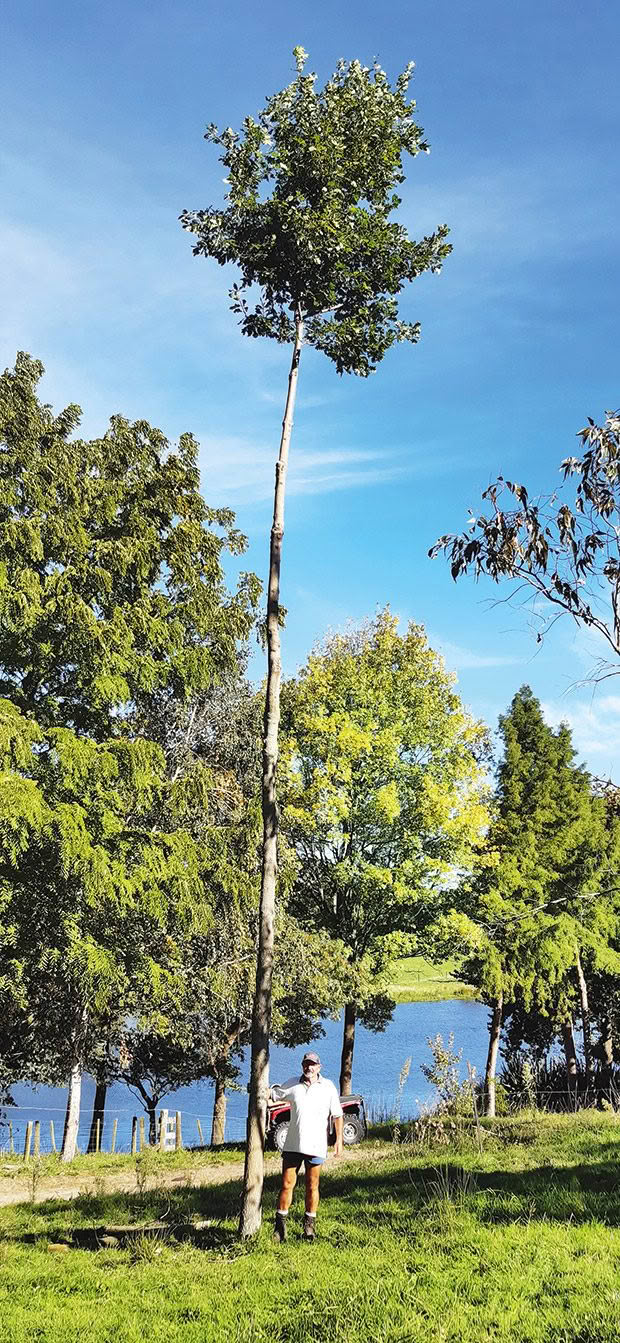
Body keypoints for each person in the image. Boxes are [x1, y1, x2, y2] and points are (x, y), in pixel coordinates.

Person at [271, 1050, 344, 1243]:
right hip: (293, 1145)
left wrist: (338, 1141)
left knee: (312, 1186)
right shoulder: (293, 1084)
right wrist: (257, 1089)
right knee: (287, 1185)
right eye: (306, 1064)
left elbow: (337, 1115)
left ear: (319, 1067)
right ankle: (280, 1228)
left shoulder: (328, 1087)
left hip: (316, 1146)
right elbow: (273, 1094)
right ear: (302, 1066)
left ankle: (309, 1226)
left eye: (312, 1064)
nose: (309, 1067)